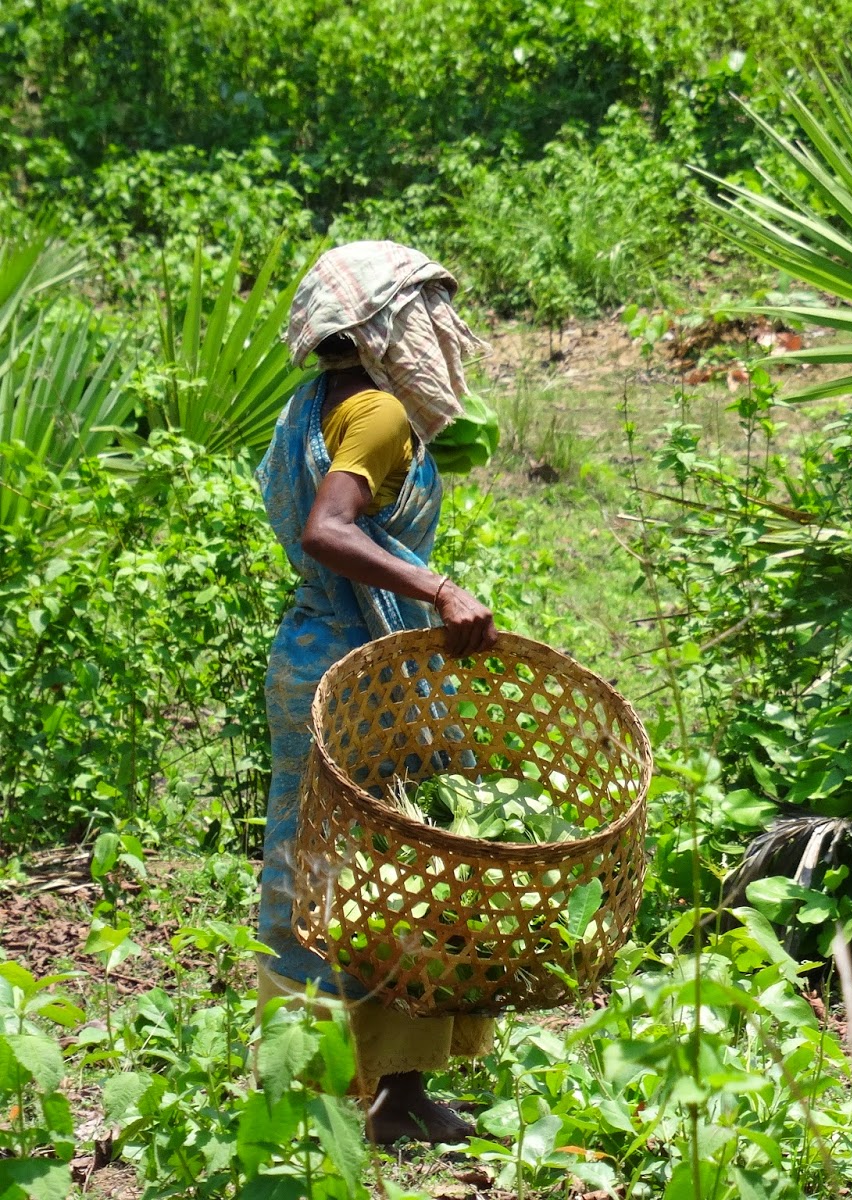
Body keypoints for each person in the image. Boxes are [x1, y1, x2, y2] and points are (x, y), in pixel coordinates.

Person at [254, 240, 499, 1143]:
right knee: (392, 871)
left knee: (323, 871)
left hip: (312, 652)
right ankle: (340, 1098)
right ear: (395, 326)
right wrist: (436, 588)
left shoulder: (314, 403)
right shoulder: (381, 413)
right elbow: (328, 529)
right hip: (361, 674)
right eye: (433, 311)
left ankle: (368, 1094)